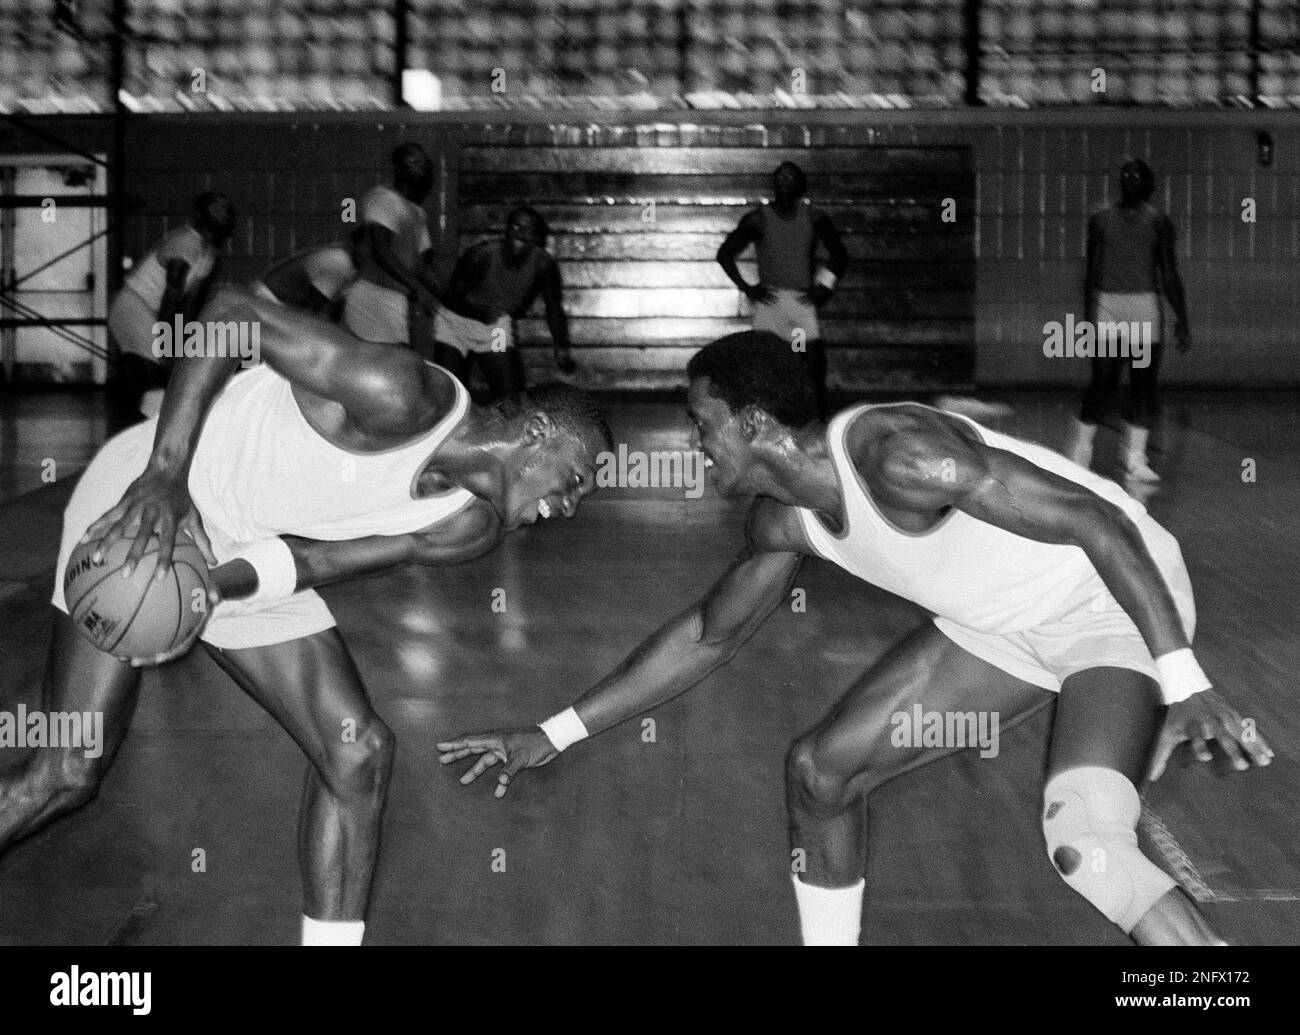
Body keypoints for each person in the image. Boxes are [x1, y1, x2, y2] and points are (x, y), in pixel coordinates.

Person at [439, 331, 1270, 946]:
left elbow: (1097, 522)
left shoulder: (899, 456)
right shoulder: (787, 519)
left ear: (754, 419)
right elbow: (706, 634)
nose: (696, 444)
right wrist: (551, 733)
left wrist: (1185, 680)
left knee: (1085, 838)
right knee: (821, 770)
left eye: (703, 422)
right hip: (999, 627)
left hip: (1108, 603)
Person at [0, 285, 609, 946]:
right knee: (66, 772)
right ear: (538, 433)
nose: (570, 505)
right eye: (574, 479)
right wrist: (165, 473)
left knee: (357, 753)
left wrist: (205, 587)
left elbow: (312, 563)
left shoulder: (467, 527)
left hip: (233, 552)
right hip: (144, 504)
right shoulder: (401, 393)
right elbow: (234, 312)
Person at [1065, 159, 1191, 482]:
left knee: (1143, 382)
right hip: (1109, 305)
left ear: (1149, 185)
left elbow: (1169, 271)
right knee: (1103, 380)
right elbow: (1091, 271)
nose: (1130, 181)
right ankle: (1081, 451)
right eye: (1125, 176)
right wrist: (1087, 317)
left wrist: (1182, 316)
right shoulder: (1101, 219)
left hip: (1144, 307)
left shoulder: (1158, 222)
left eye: (1137, 177)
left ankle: (1135, 457)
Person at [716, 162, 848, 411]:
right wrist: (748, 288)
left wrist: (824, 287)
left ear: (800, 186)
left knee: (812, 370)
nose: (784, 182)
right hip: (771, 302)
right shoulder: (758, 219)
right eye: (780, 178)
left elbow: (840, 255)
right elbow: (724, 254)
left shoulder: (814, 217)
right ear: (774, 185)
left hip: (800, 302)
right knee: (764, 372)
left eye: (790, 179)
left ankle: (817, 426)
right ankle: (764, 425)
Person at [109, 190, 236, 416]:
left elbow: (191, 303)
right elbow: (171, 298)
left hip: (155, 311)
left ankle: (150, 426)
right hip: (133, 307)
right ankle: (145, 437)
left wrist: (184, 339)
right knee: (157, 380)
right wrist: (169, 343)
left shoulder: (210, 255)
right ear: (200, 219)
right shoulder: (185, 244)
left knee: (170, 377)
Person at [433, 206, 576, 401]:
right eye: (515, 225)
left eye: (528, 228)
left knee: (508, 395)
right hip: (454, 326)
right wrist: (479, 313)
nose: (520, 232)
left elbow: (553, 307)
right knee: (450, 396)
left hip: (495, 330)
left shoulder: (543, 265)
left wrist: (560, 347)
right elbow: (450, 297)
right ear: (507, 230)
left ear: (538, 238)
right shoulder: (480, 256)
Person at [343, 142, 442, 346]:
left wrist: (450, 301)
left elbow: (421, 266)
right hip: (374, 296)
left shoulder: (417, 213)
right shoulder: (384, 198)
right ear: (398, 167)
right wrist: (418, 290)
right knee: (393, 365)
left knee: (393, 366)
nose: (419, 163)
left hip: (395, 300)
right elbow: (381, 250)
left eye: (423, 160)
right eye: (412, 159)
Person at [251, 231, 360, 319]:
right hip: (270, 304)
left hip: (276, 305)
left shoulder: (348, 263)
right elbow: (309, 311)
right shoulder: (340, 262)